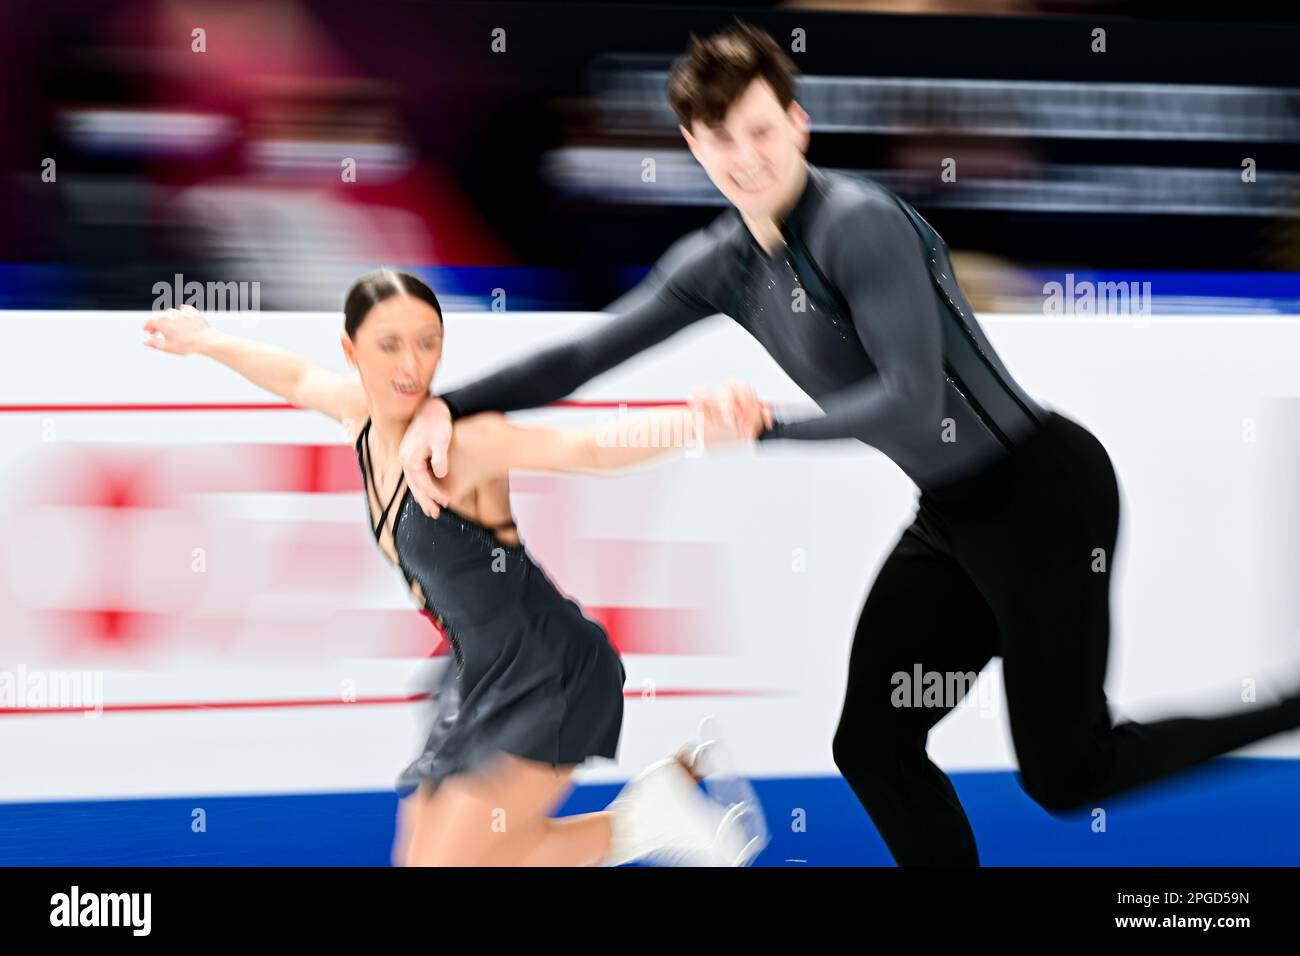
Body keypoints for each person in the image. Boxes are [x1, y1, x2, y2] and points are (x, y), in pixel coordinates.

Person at [396, 21, 1300, 866]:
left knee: (1069, 776)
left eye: (759, 131)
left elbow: (911, 401)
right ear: (694, 147)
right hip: (954, 517)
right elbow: (585, 352)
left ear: (796, 121)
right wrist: (437, 403)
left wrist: (767, 431)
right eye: (719, 141)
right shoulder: (721, 262)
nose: (744, 159)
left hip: (1045, 501)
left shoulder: (858, 222)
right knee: (872, 744)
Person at [142, 270, 766, 867]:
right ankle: (649, 819)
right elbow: (296, 376)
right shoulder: (358, 414)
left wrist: (699, 425)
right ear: (351, 349)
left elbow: (590, 450)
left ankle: (644, 822)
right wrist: (207, 340)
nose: (410, 366)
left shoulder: (462, 444)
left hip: (544, 666)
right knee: (423, 858)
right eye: (388, 345)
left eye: (426, 343)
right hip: (475, 667)